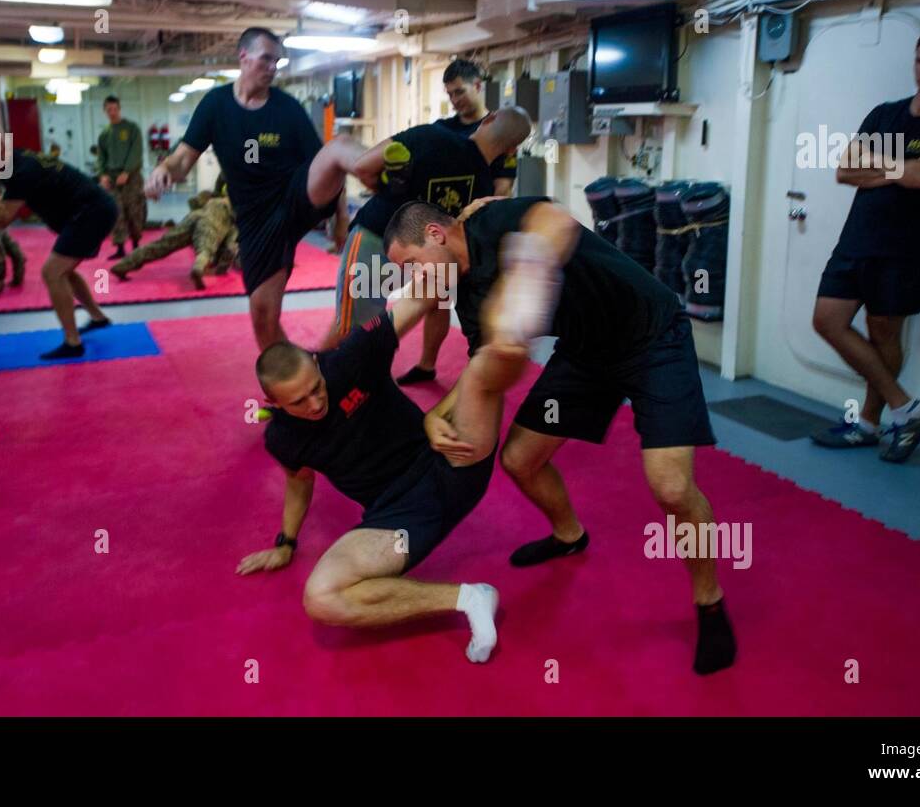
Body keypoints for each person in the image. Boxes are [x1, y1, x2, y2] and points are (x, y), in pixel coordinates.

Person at [383, 196, 737, 675]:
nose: (415, 278)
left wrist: (522, 286)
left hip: (654, 337)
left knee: (672, 487)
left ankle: (709, 601)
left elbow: (554, 223)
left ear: (436, 235)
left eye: (412, 264)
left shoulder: (495, 221)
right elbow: (481, 368)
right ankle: (570, 535)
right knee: (521, 459)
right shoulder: (465, 291)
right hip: (586, 354)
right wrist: (434, 414)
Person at [245, 242, 537, 663]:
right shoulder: (283, 439)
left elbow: (421, 295)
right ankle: (471, 599)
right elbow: (299, 482)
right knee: (321, 598)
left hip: (451, 459)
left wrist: (455, 240)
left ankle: (527, 275)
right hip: (398, 519)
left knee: (493, 359)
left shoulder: (350, 358)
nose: (314, 404)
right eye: (298, 403)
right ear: (274, 402)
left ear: (315, 360)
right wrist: (286, 542)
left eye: (316, 388)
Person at [811, 25, 920, 463]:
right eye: (919, 60)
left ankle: (869, 423)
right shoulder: (885, 114)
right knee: (828, 320)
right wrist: (908, 168)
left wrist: (884, 167)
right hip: (858, 237)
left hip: (908, 245)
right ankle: (907, 408)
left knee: (883, 330)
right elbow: (846, 169)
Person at [145, 28, 336, 350]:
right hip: (252, 219)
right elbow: (183, 159)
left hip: (292, 204)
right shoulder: (215, 105)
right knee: (263, 317)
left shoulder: (287, 108)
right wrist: (163, 169)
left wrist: (340, 219)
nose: (273, 68)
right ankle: (300, 378)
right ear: (243, 57)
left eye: (277, 61)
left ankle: (392, 171)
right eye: (266, 59)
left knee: (340, 148)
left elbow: (325, 164)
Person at [320, 109, 529, 373]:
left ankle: (319, 384)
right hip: (422, 256)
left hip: (377, 237)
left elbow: (362, 166)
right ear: (511, 149)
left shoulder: (429, 136)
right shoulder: (484, 187)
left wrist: (384, 191)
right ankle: (410, 369)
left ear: (487, 120)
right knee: (387, 320)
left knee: (355, 329)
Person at [0, 150, 118, 359]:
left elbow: (1, 219)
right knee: (63, 271)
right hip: (88, 210)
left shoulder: (21, 172)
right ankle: (98, 317)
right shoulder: (20, 160)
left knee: (52, 272)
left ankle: (73, 342)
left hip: (91, 212)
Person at [111, 188, 239, 289]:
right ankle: (198, 268)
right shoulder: (239, 214)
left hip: (194, 217)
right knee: (205, 250)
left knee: (160, 246)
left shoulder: (218, 200)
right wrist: (221, 269)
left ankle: (122, 266)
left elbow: (194, 201)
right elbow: (230, 247)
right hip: (210, 224)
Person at [95, 95, 145, 260]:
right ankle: (120, 248)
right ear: (105, 111)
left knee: (134, 211)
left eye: (115, 109)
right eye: (109, 110)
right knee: (116, 213)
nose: (112, 112)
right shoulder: (104, 134)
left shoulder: (132, 128)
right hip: (112, 179)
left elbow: (136, 152)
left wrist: (127, 171)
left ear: (119, 109)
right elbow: (101, 157)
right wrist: (102, 175)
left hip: (132, 178)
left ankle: (136, 245)